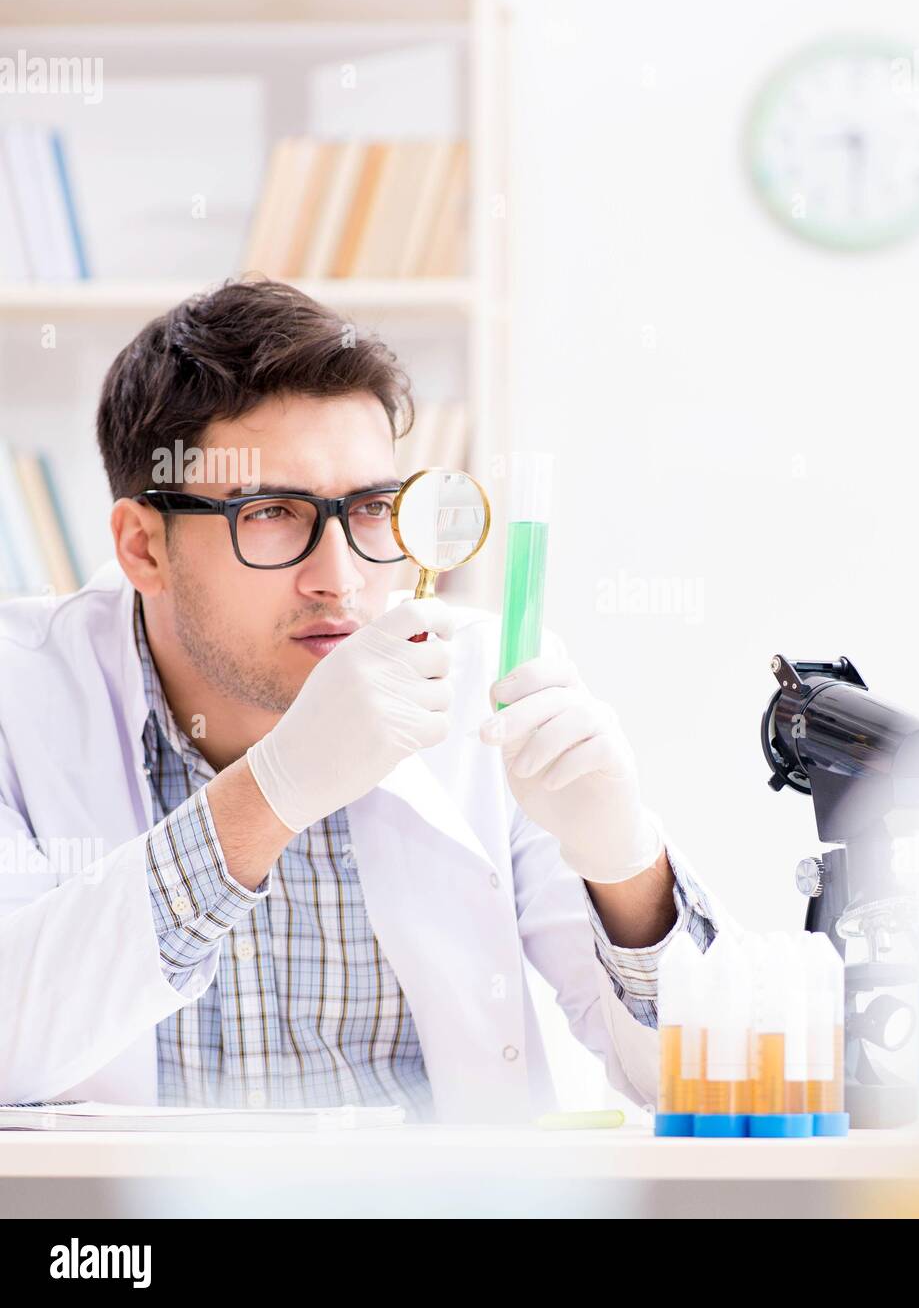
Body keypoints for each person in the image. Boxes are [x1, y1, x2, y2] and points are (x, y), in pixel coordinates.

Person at [0, 279, 727, 1121]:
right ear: (143, 546)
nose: (339, 579)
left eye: (373, 508)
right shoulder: (22, 695)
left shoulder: (488, 676)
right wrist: (275, 790)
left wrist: (628, 866)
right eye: (271, 512)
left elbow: (703, 1084)